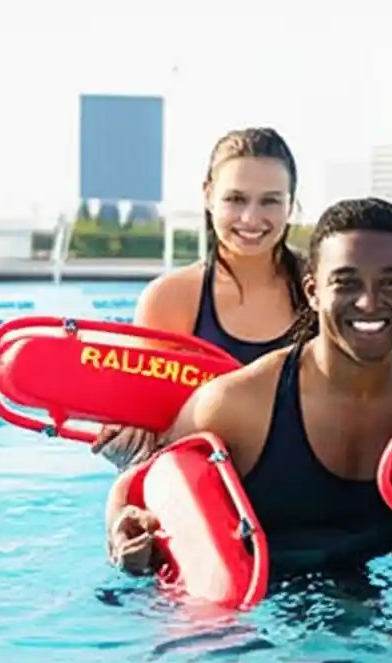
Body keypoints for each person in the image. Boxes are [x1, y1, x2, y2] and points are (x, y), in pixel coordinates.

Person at [104, 197, 392, 577]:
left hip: (379, 611)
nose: (368, 302)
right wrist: (127, 536)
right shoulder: (240, 404)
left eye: (391, 284)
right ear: (314, 292)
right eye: (346, 283)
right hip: (257, 616)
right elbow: (140, 484)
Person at [93, 127, 309, 469]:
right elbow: (145, 440)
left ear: (291, 204)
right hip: (211, 492)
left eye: (270, 200)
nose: (251, 218)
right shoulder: (172, 299)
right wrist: (126, 441)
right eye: (235, 199)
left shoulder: (322, 288)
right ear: (208, 196)